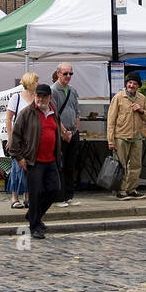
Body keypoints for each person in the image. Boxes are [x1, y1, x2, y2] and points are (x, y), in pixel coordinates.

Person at [9, 83, 61, 240]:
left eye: (43, 96)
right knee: (35, 193)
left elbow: (55, 131)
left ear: (49, 97)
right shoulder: (26, 113)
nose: (40, 99)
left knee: (54, 189)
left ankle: (34, 215)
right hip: (33, 160)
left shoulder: (53, 111)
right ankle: (34, 226)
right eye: (38, 96)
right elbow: (15, 137)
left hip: (51, 158)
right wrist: (19, 157)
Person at [107, 75, 146, 200]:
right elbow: (111, 120)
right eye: (130, 82)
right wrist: (110, 139)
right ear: (126, 83)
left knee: (136, 165)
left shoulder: (142, 98)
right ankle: (120, 190)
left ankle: (131, 189)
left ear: (138, 86)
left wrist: (141, 110)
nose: (131, 85)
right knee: (121, 165)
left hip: (137, 136)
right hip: (121, 136)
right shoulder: (118, 97)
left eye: (135, 83)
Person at [4, 73, 38, 209]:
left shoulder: (37, 97)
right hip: (19, 138)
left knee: (30, 167)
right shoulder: (16, 98)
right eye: (36, 80)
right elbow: (8, 118)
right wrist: (10, 137)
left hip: (33, 138)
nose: (38, 82)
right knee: (17, 167)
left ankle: (28, 196)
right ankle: (14, 196)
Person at [52, 62, 81, 207]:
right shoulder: (53, 91)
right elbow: (54, 115)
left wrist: (75, 129)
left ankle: (69, 195)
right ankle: (59, 197)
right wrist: (63, 131)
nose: (68, 76)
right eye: (65, 73)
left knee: (71, 165)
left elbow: (77, 111)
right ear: (58, 73)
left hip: (72, 133)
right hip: (59, 134)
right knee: (59, 166)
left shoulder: (73, 90)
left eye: (71, 74)